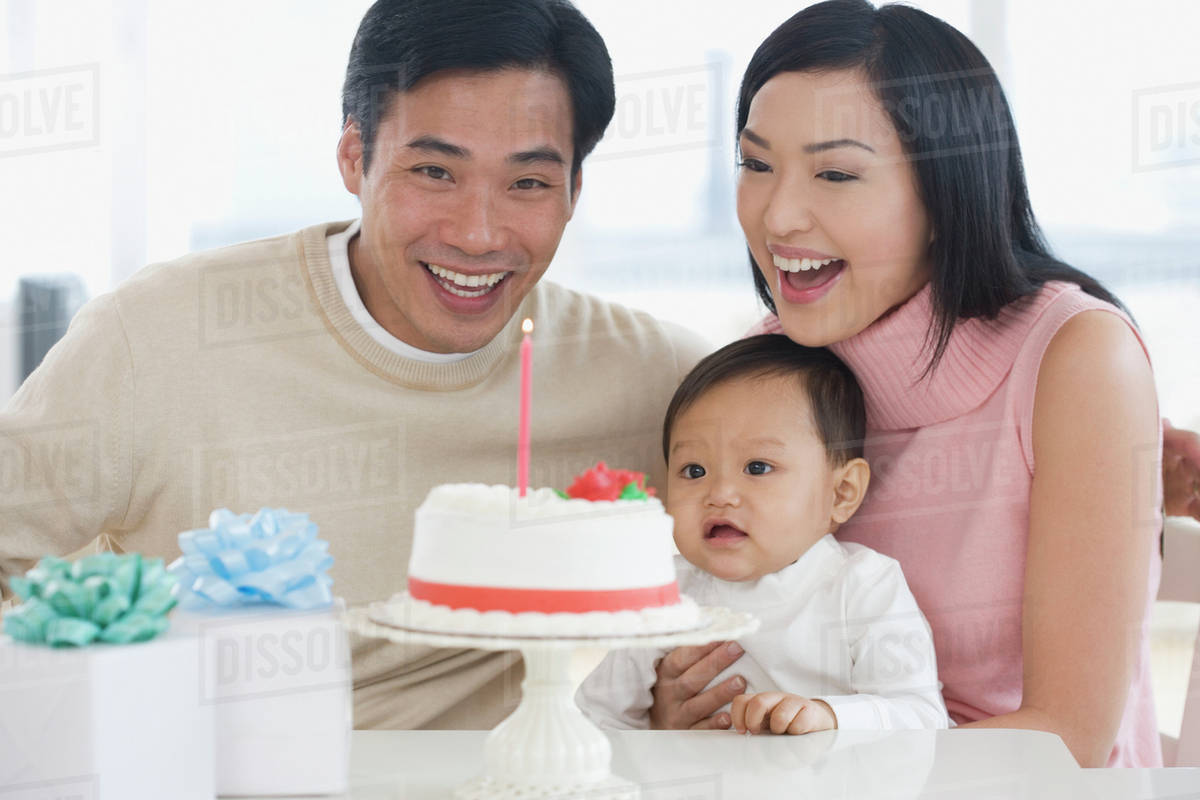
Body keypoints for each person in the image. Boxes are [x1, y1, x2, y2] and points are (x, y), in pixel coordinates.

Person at [0, 0, 709, 730]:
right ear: (352, 157)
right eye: (434, 170)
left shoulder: (666, 384)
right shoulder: (156, 335)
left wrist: (659, 706)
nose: (477, 232)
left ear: (574, 192)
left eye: (527, 182)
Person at [645, 0, 1170, 767]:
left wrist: (826, 757)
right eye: (756, 164)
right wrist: (673, 713)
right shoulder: (766, 370)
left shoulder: (1077, 358)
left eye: (835, 172)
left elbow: (1070, 740)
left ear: (943, 192)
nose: (778, 215)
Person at [575, 335, 949, 734]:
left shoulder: (862, 586)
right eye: (694, 471)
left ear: (840, 493)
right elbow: (596, 721)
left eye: (757, 468)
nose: (718, 495)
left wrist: (828, 716)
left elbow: (922, 718)